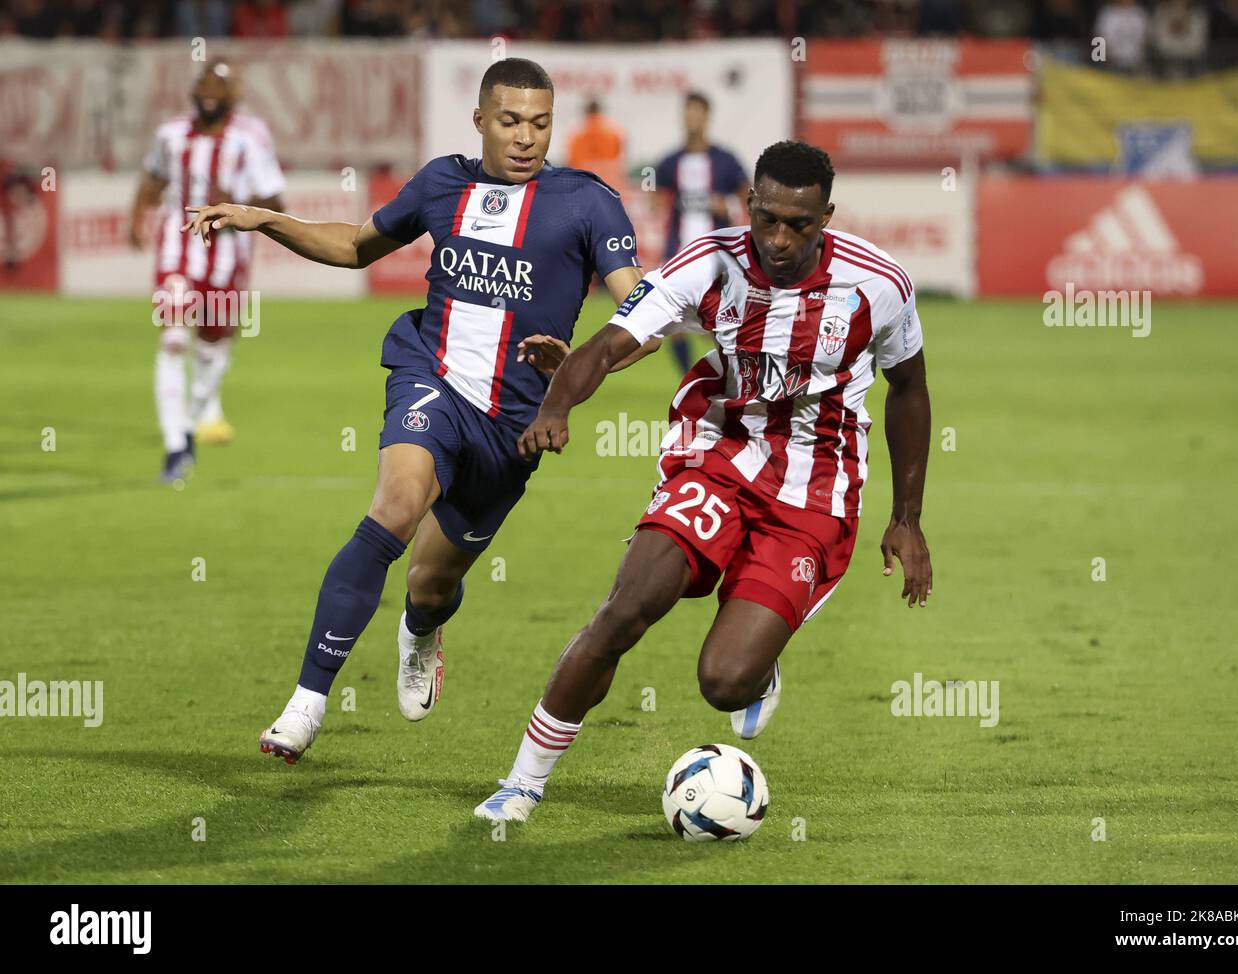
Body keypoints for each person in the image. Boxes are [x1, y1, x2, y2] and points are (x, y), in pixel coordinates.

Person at [184, 58, 651, 763]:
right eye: (511, 121)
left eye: (540, 123)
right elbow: (354, 247)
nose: (526, 137)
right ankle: (306, 705)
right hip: (429, 378)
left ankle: (422, 630)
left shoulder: (588, 201)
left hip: (515, 427)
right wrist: (264, 220)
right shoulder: (442, 182)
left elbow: (644, 307)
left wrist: (582, 363)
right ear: (480, 121)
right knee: (395, 506)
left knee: (432, 581)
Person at [473, 141, 933, 823]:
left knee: (723, 682)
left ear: (826, 217)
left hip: (815, 486)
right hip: (718, 454)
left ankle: (759, 664)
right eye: (767, 218)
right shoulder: (710, 261)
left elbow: (909, 390)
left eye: (800, 225)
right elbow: (611, 343)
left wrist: (907, 516)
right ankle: (523, 783)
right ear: (747, 204)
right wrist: (557, 406)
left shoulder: (878, 284)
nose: (779, 240)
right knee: (624, 610)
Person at [131, 61, 285, 481]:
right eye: (203, 83)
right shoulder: (171, 134)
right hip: (176, 250)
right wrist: (136, 217)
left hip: (227, 257)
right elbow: (153, 176)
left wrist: (235, 200)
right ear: (193, 90)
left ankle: (187, 426)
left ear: (234, 94)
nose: (209, 91)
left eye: (219, 85)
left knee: (213, 349)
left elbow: (276, 203)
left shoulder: (250, 140)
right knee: (175, 338)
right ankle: (175, 446)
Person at [654, 91, 748, 374]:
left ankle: (728, 376)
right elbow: (655, 200)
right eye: (687, 112)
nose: (691, 118)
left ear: (707, 117)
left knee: (718, 320)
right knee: (675, 320)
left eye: (697, 112)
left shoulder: (725, 160)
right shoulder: (671, 162)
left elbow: (749, 197)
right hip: (679, 252)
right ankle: (686, 378)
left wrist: (726, 203)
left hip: (716, 254)